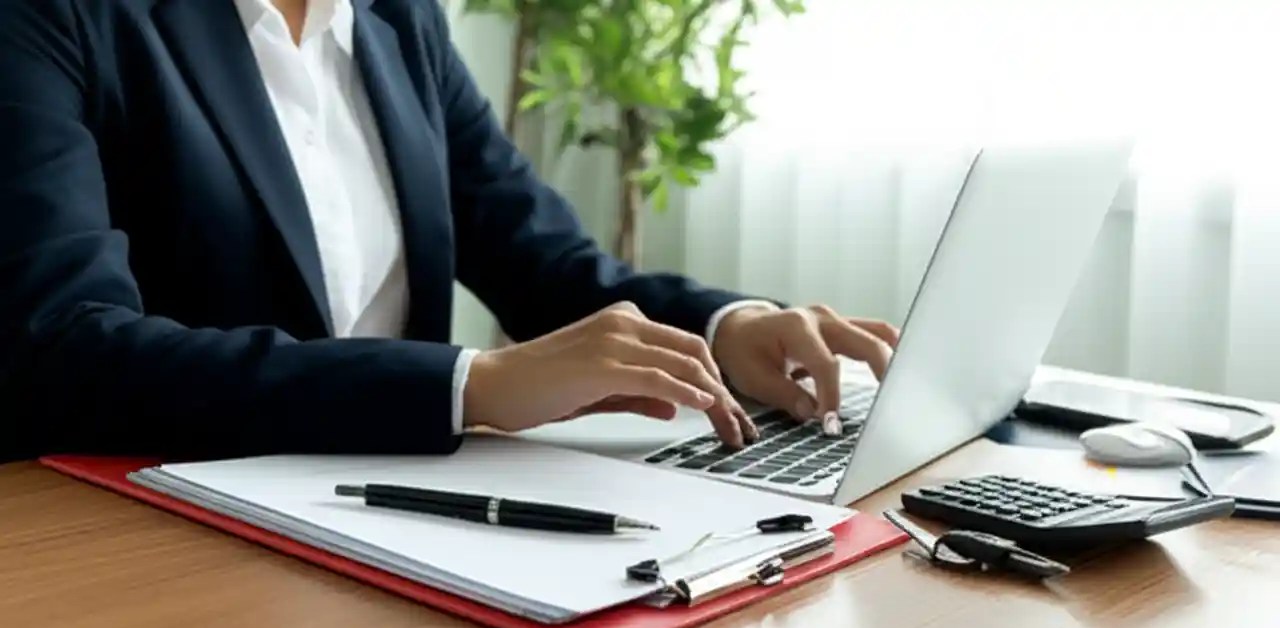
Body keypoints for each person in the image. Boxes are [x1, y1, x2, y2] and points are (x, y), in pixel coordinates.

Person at [0, 0, 897, 460]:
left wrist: (722, 326)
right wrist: (474, 383)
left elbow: (540, 258)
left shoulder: (399, 18)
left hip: (394, 521)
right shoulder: (50, 18)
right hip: (151, 534)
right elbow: (69, 353)